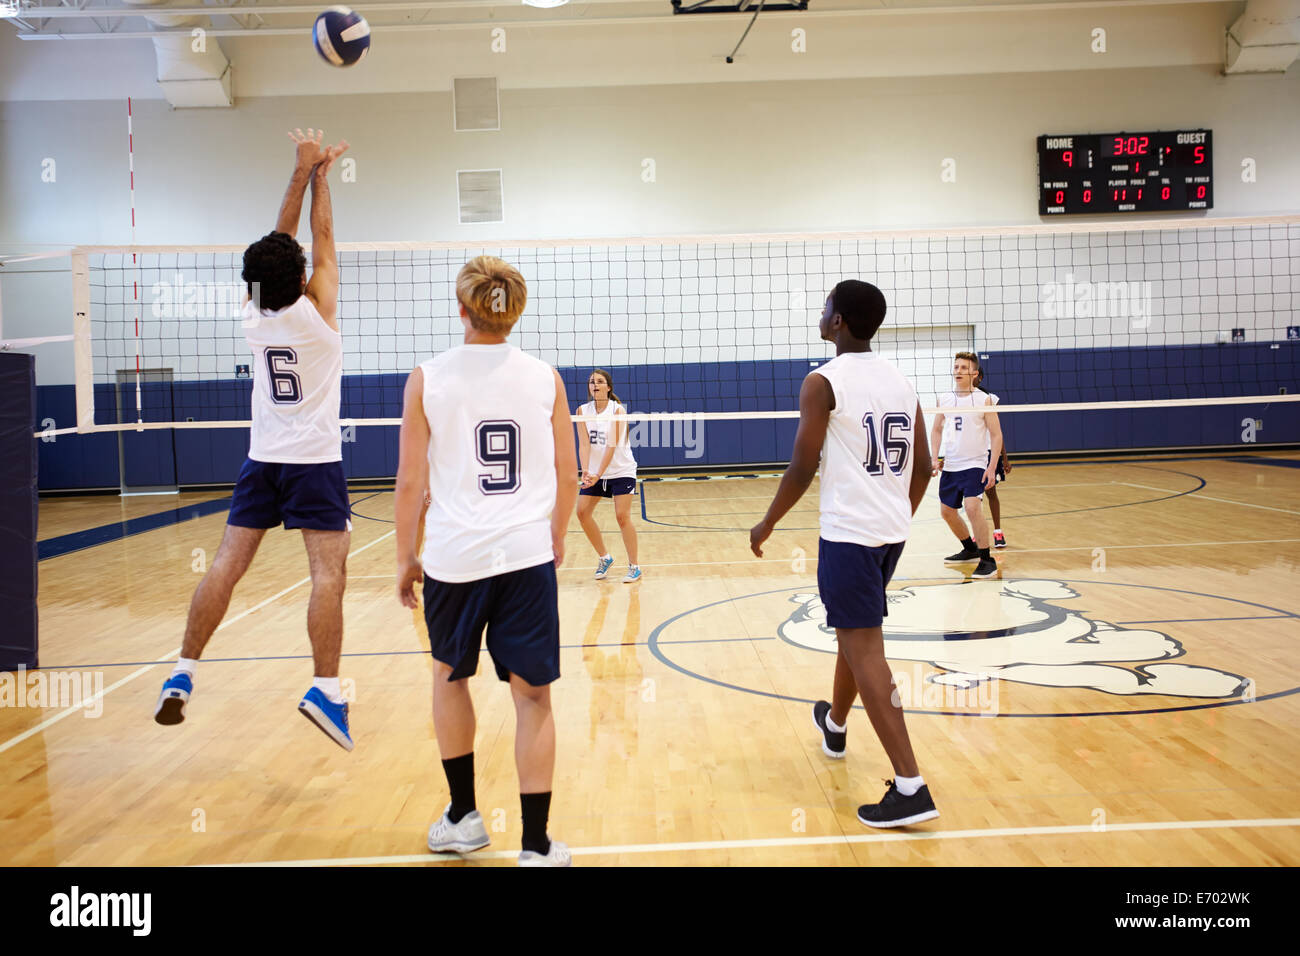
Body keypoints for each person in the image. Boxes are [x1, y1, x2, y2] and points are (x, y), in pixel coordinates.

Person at [154, 128, 355, 750]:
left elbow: (283, 242)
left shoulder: (253, 314)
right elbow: (317, 239)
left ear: (253, 286)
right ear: (300, 276)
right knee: (329, 576)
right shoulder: (317, 313)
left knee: (225, 566)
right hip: (314, 463)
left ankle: (182, 672)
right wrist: (323, 176)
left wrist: (298, 171)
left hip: (261, 460)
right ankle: (326, 688)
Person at [394, 255, 579, 867]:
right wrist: (553, 535)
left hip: (454, 557)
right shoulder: (545, 378)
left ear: (462, 306)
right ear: (514, 309)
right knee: (533, 699)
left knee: (450, 678)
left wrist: (405, 556)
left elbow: (409, 480)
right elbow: (567, 473)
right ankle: (535, 845)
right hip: (525, 557)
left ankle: (463, 817)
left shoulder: (427, 377)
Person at [750, 280, 939, 828]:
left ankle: (910, 785)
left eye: (827, 305)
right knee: (852, 634)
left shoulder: (823, 381)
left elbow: (802, 466)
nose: (822, 311)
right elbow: (924, 467)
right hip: (889, 533)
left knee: (865, 648)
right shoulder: (902, 381)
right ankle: (835, 724)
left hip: (849, 535)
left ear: (839, 322)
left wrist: (767, 522)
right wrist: (898, 514)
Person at [930, 352, 1002, 580]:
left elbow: (996, 434)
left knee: (972, 508)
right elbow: (937, 429)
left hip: (975, 464)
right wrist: (934, 457)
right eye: (956, 367)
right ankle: (969, 548)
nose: (959, 371)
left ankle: (986, 559)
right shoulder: (945, 398)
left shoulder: (984, 399)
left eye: (964, 368)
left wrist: (992, 467)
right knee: (947, 512)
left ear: (974, 374)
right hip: (951, 464)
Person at [575, 369, 641, 583]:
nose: (595, 384)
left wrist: (597, 474)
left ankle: (634, 566)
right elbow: (584, 444)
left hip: (621, 470)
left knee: (622, 516)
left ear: (608, 387)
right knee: (582, 512)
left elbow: (611, 447)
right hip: (594, 472)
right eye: (592, 382)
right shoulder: (582, 410)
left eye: (600, 381)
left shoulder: (617, 410)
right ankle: (605, 557)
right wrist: (585, 470)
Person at [974, 366, 1011, 549]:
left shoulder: (989, 399)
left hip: (989, 452)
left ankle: (998, 532)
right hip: (971, 453)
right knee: (973, 497)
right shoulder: (958, 399)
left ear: (979, 377)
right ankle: (977, 535)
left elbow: (997, 431)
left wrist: (1004, 458)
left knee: (991, 493)